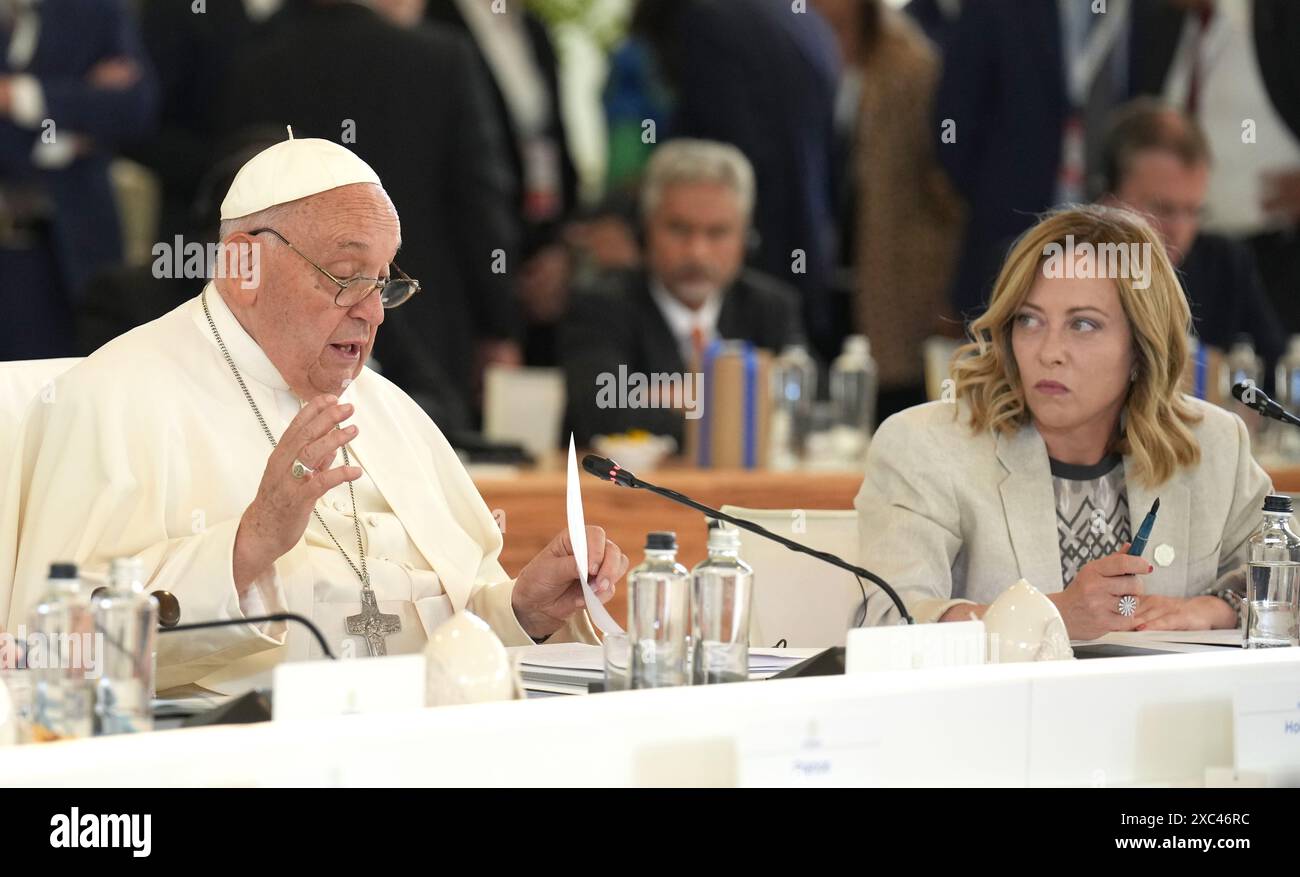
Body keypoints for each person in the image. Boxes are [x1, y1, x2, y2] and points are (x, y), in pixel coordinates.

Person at [1, 138, 625, 694]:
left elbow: (452, 635)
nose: (373, 312)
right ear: (243, 265)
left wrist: (523, 612)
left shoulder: (389, 410)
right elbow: (54, 651)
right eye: (346, 276)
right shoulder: (110, 399)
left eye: (384, 282)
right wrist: (249, 546)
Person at [855, 205, 1268, 639]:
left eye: (1083, 324)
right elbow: (888, 624)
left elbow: (1286, 579)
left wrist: (1213, 610)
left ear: (1142, 346)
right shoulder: (926, 447)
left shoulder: (1212, 443)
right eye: (1029, 320)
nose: (1049, 351)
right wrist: (1054, 615)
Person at [219, 0, 524, 429]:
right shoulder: (441, 59)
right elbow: (481, 204)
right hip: (426, 317)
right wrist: (499, 326)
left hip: (282, 326)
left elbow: (236, 186)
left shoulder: (259, 59)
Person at [562, 140, 804, 447]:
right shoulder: (600, 306)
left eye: (717, 232)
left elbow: (808, 404)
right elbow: (601, 412)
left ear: (746, 238)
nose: (697, 253)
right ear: (645, 230)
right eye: (679, 229)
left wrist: (671, 396)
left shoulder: (772, 307)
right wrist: (739, 405)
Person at [0, 0, 158, 358]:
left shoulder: (97, 11)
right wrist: (74, 117)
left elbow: (134, 107)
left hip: (73, 248)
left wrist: (25, 96)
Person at [1100, 98, 1285, 372]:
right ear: (1108, 200)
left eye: (1193, 210)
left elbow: (1278, 375)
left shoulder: (1226, 265)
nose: (1179, 230)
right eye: (1162, 209)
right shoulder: (1055, 263)